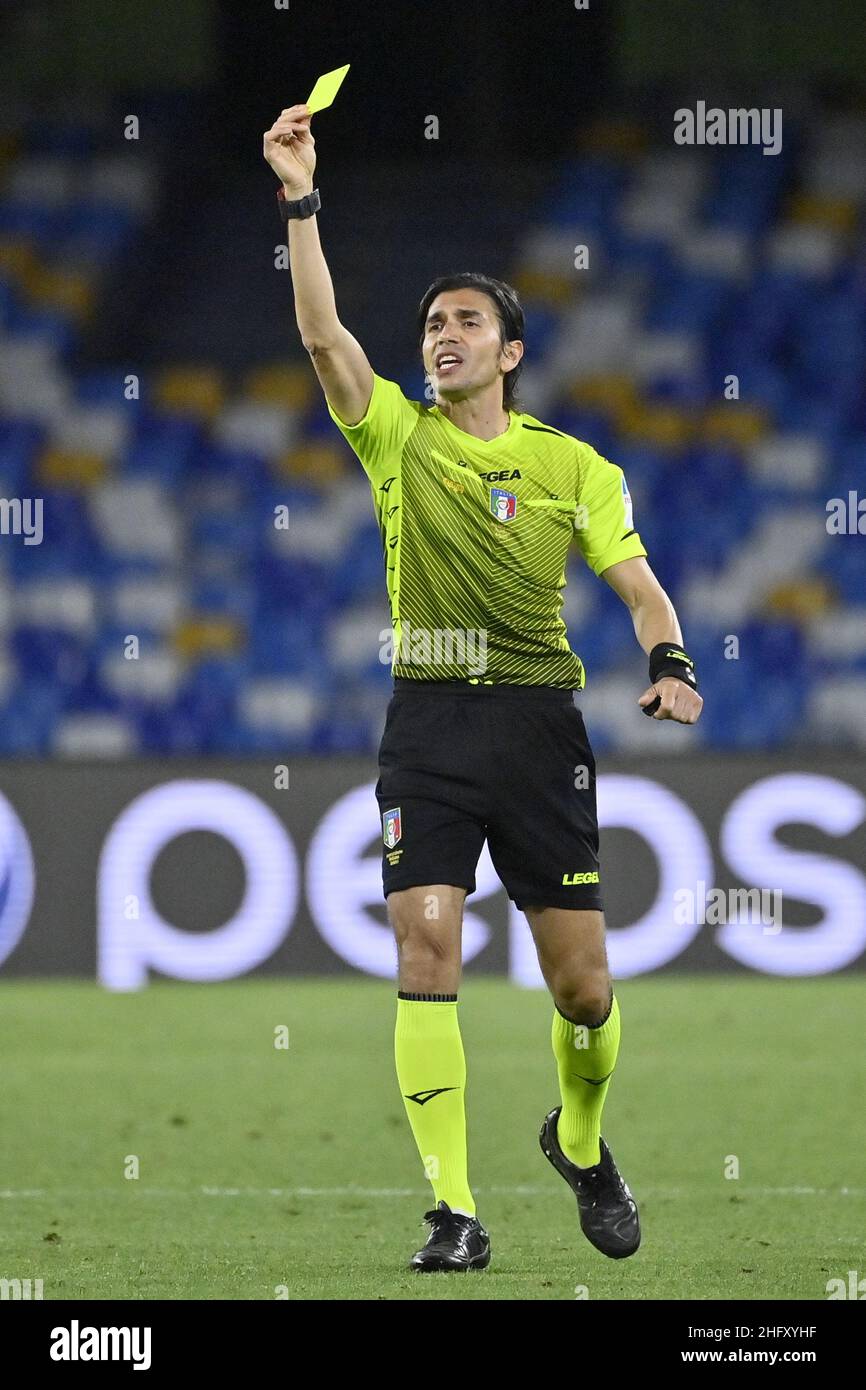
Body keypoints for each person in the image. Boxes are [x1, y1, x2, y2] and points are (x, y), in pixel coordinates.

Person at [264, 103, 703, 1273]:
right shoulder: (394, 437)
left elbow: (642, 590)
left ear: (509, 351)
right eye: (431, 323)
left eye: (465, 321)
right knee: (424, 954)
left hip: (536, 728)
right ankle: (455, 1212)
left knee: (586, 993)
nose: (440, 335)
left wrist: (667, 661)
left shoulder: (575, 466)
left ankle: (579, 1138)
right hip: (429, 722)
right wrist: (301, 202)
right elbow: (321, 340)